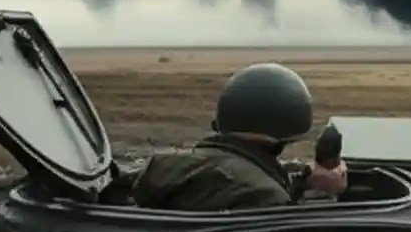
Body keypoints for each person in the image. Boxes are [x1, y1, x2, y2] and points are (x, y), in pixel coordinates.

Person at [127, 62, 349, 212]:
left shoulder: (162, 166)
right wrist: (321, 195)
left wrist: (297, 182)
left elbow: (217, 184)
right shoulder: (265, 197)